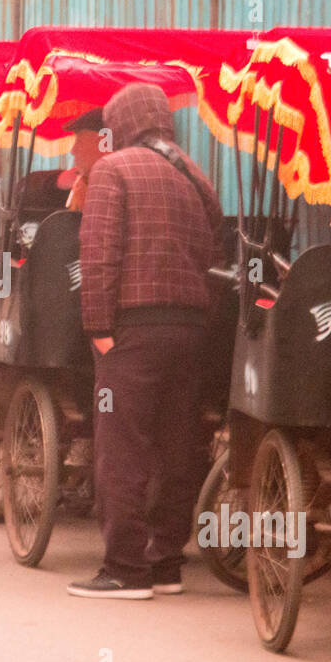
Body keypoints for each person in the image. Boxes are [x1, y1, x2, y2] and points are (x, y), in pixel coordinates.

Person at [70, 82, 222, 600]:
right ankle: (166, 562)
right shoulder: (196, 175)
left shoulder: (113, 170)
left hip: (134, 330)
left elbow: (98, 256)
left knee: (122, 448)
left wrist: (99, 332)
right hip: (191, 327)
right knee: (178, 446)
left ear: (122, 123)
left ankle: (124, 569)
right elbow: (212, 247)